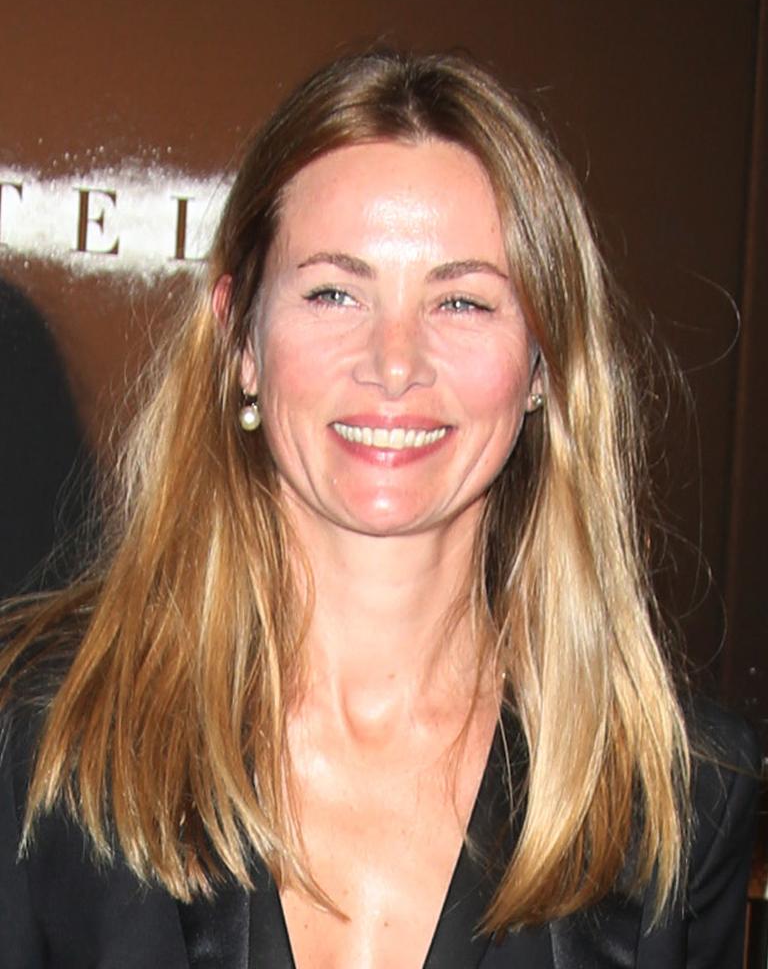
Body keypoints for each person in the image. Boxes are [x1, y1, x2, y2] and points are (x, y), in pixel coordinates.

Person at [0, 50, 759, 969]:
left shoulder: (677, 800)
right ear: (241, 338)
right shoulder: (44, 741)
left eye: (463, 301)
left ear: (543, 363)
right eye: (334, 291)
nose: (395, 364)